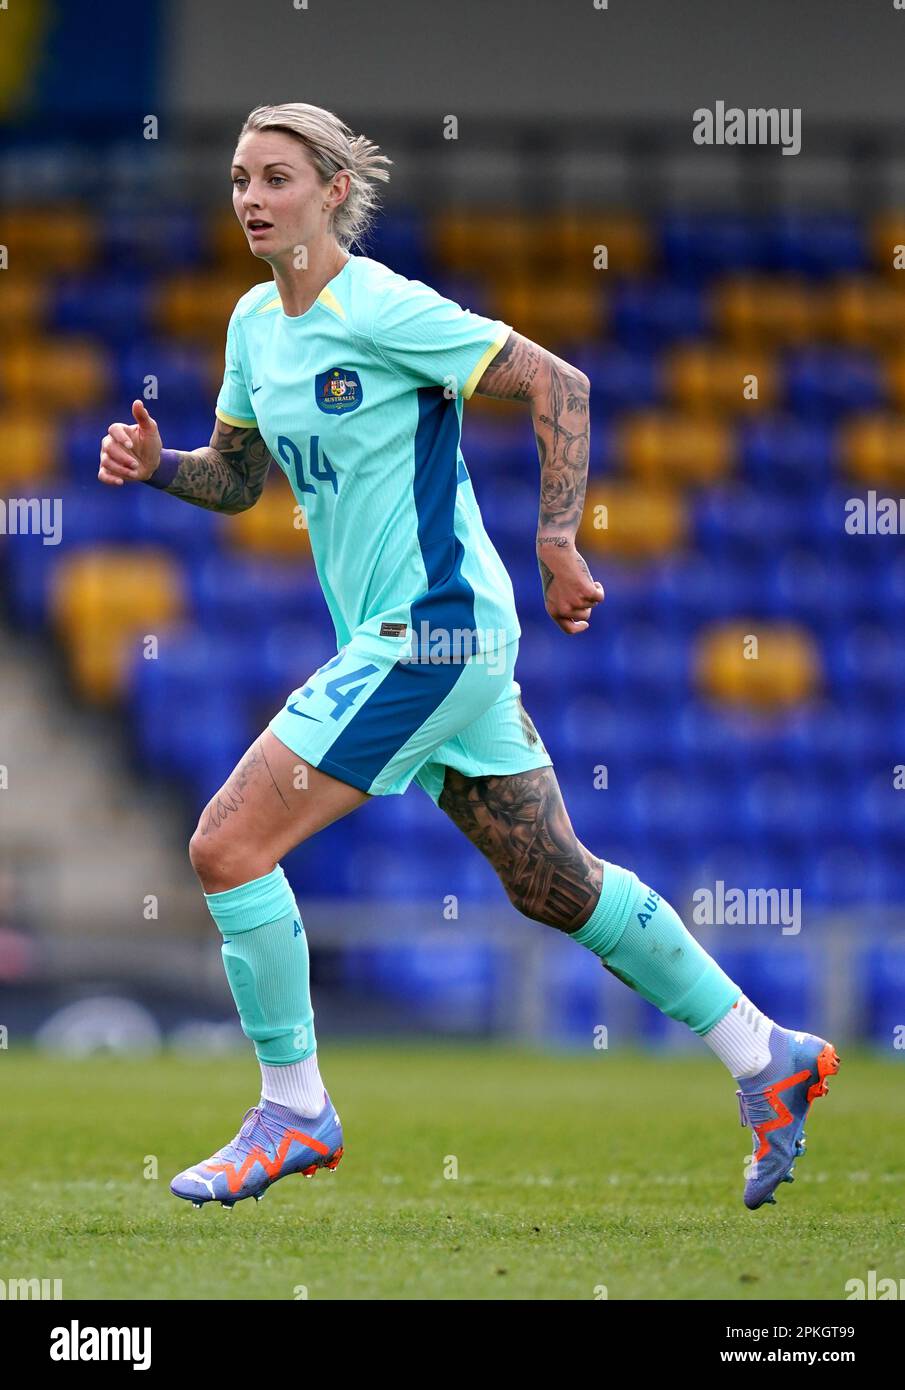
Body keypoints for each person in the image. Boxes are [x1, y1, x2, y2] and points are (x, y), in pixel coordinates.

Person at [98, 102, 839, 1212]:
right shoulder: (254, 326)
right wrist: (165, 466)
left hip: (434, 630)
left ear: (333, 191)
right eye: (240, 178)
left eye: (277, 178)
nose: (250, 198)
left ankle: (292, 1108)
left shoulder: (383, 304)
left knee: (226, 845)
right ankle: (765, 1052)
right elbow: (243, 481)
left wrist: (555, 539)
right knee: (554, 883)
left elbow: (560, 386)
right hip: (420, 643)